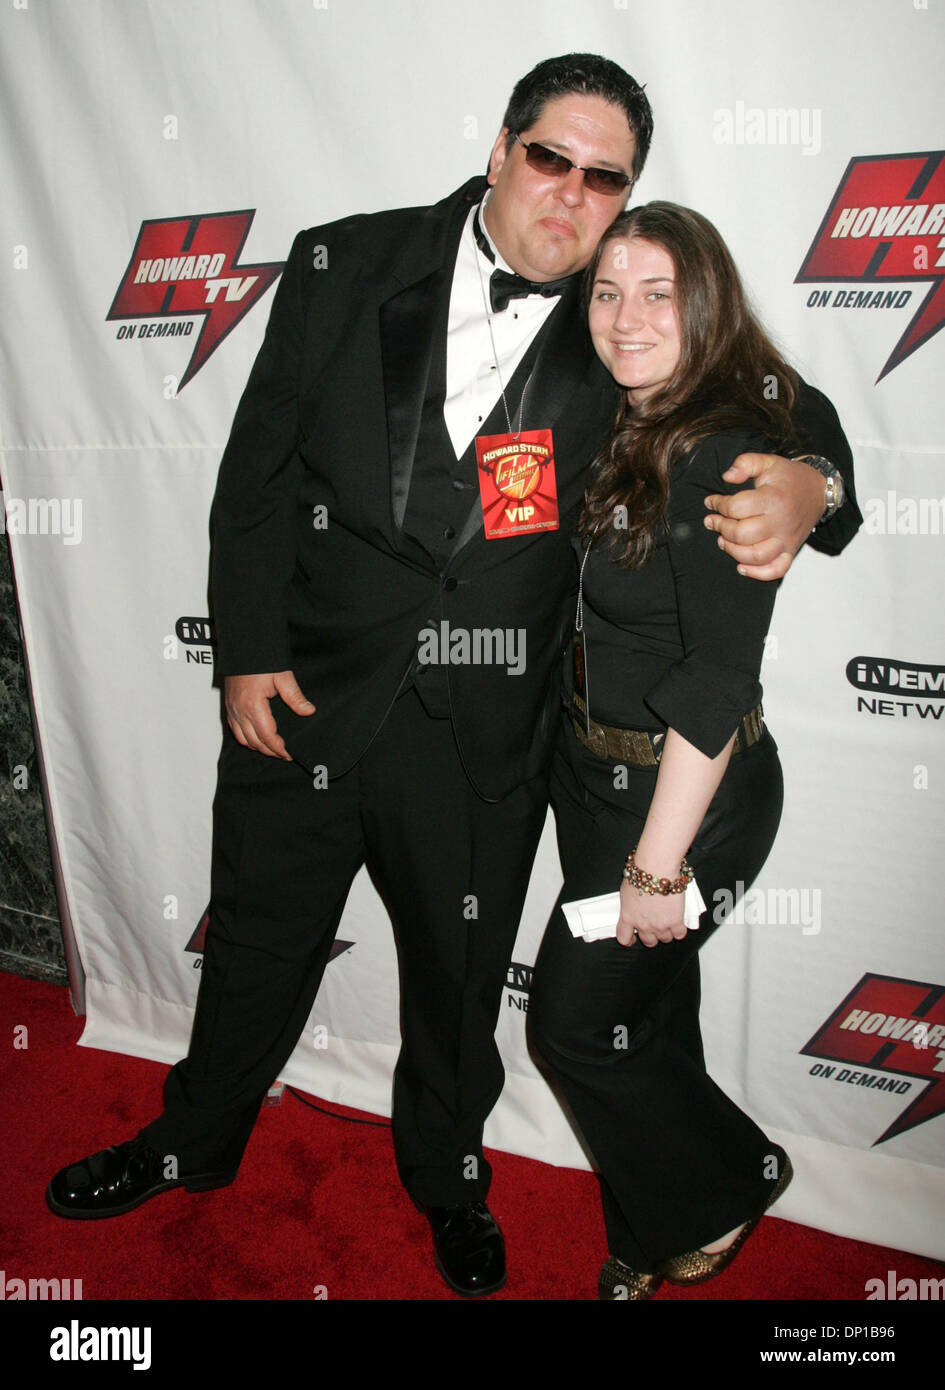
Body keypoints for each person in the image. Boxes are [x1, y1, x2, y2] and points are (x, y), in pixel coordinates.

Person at [46, 55, 859, 1299]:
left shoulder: (632, 313)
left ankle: (449, 1177)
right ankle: (189, 1137)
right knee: (260, 942)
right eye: (552, 158)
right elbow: (255, 472)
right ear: (500, 149)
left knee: (460, 982)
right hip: (304, 698)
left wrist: (815, 483)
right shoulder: (341, 261)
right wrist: (249, 651)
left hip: (484, 736)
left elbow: (795, 414)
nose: (574, 195)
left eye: (607, 177)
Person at [530, 202, 841, 1300]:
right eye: (608, 291)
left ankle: (729, 1179)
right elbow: (816, 414)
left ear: (704, 302)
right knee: (645, 1012)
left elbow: (714, 688)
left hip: (688, 800)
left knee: (568, 1026)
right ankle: (654, 1224)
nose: (625, 316)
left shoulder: (721, 454)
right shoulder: (630, 410)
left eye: (658, 292)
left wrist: (661, 866)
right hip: (598, 779)